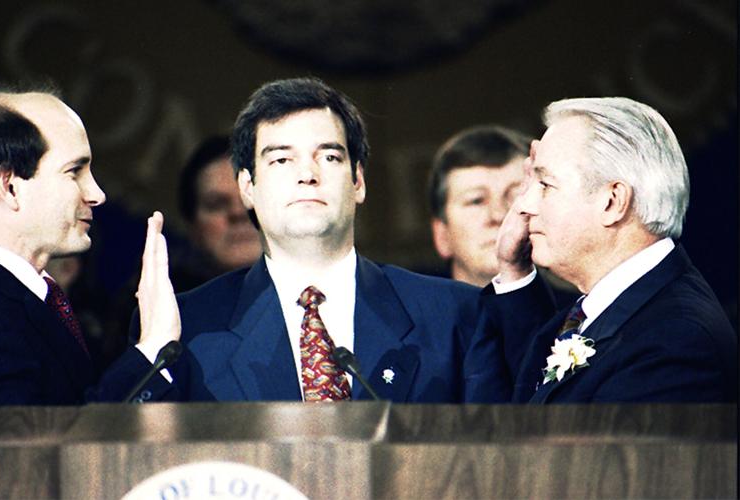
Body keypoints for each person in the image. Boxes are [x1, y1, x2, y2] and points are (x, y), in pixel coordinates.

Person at [133, 77, 495, 403]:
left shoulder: (454, 315)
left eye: (330, 156)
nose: (308, 174)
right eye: (281, 160)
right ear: (247, 188)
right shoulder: (186, 327)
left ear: (358, 181)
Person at [0, 90, 181, 405]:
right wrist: (153, 350)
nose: (97, 194)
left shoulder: (21, 300)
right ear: (10, 186)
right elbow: (26, 452)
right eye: (74, 171)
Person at [479, 97, 737, 403]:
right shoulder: (623, 306)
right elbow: (540, 393)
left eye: (546, 185)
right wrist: (514, 271)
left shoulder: (673, 341)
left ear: (613, 202)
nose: (523, 205)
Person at [428, 126, 530, 286]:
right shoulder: (419, 310)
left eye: (516, 196)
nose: (498, 215)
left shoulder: (581, 309)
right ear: (442, 236)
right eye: (476, 200)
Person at [172, 135, 262, 292]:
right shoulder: (157, 309)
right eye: (216, 205)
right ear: (192, 227)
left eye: (251, 197)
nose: (238, 212)